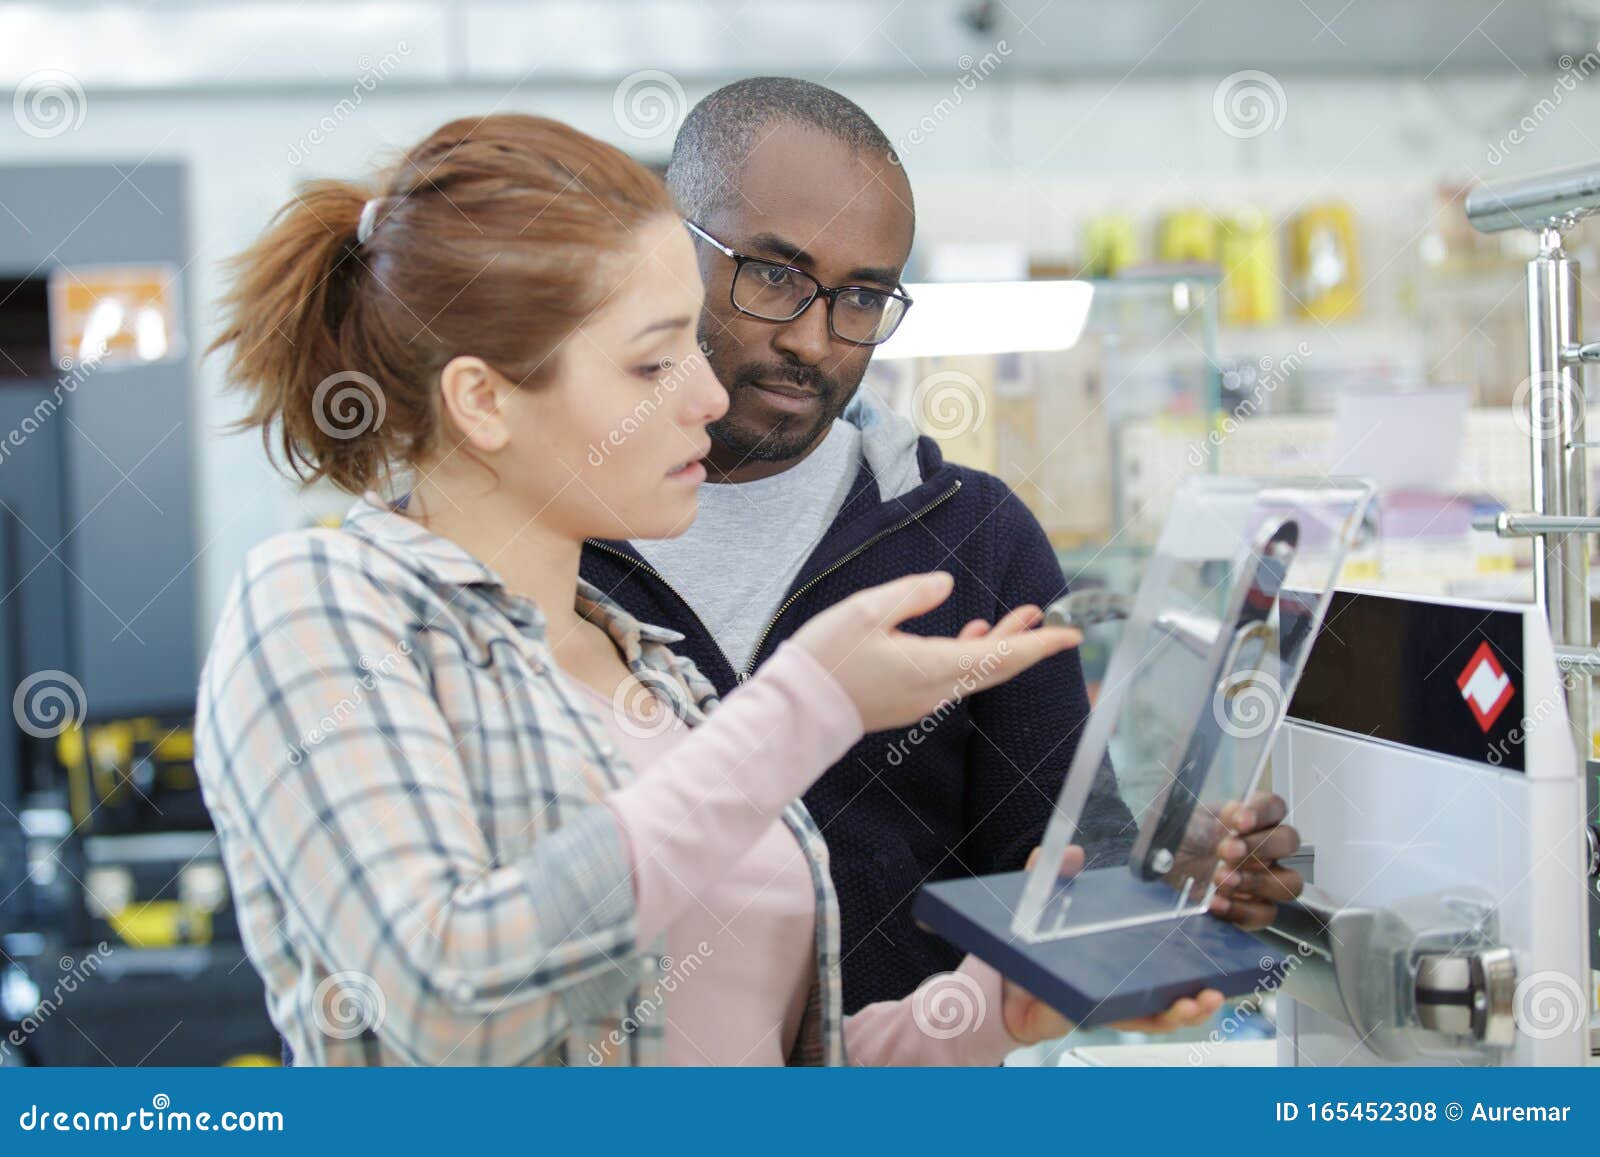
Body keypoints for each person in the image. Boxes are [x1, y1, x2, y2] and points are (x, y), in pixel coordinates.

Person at [196, 113, 1228, 1066]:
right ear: (483, 400)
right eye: (652, 366)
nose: (705, 392)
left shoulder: (651, 666)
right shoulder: (324, 605)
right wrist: (807, 705)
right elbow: (452, 995)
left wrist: (998, 1005)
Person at [580, 78, 1304, 1014]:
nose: (812, 338)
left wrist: (1165, 878)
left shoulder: (974, 538)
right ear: (671, 248)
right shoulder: (545, 536)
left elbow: (1053, 855)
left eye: (864, 297)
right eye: (772, 275)